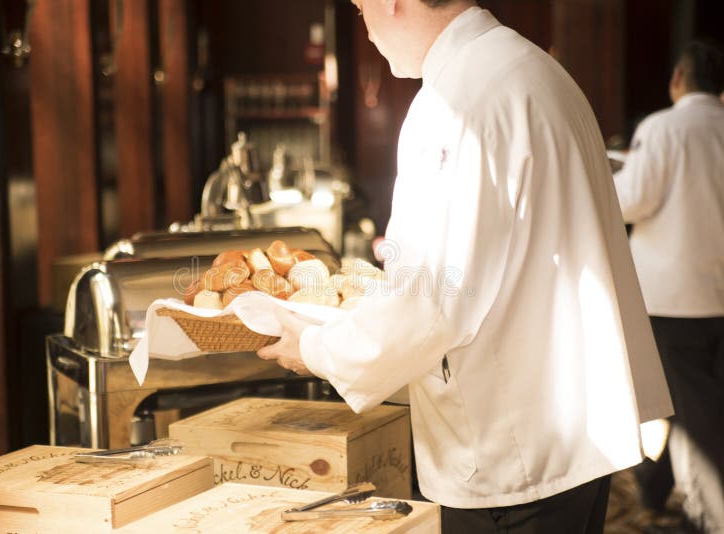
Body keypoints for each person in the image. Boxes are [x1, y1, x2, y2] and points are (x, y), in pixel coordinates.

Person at [258, 1, 674, 531]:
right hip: (570, 424)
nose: (367, 30)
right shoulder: (536, 69)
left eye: (361, 9)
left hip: (511, 451)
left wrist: (316, 347)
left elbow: (431, 300)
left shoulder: (456, 101)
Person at [613, 39, 724, 533]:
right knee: (696, 405)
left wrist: (610, 175)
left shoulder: (661, 128)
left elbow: (632, 200)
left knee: (696, 417)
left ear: (678, 78)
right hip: (717, 292)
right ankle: (654, 488)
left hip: (675, 298)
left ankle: (708, 519)